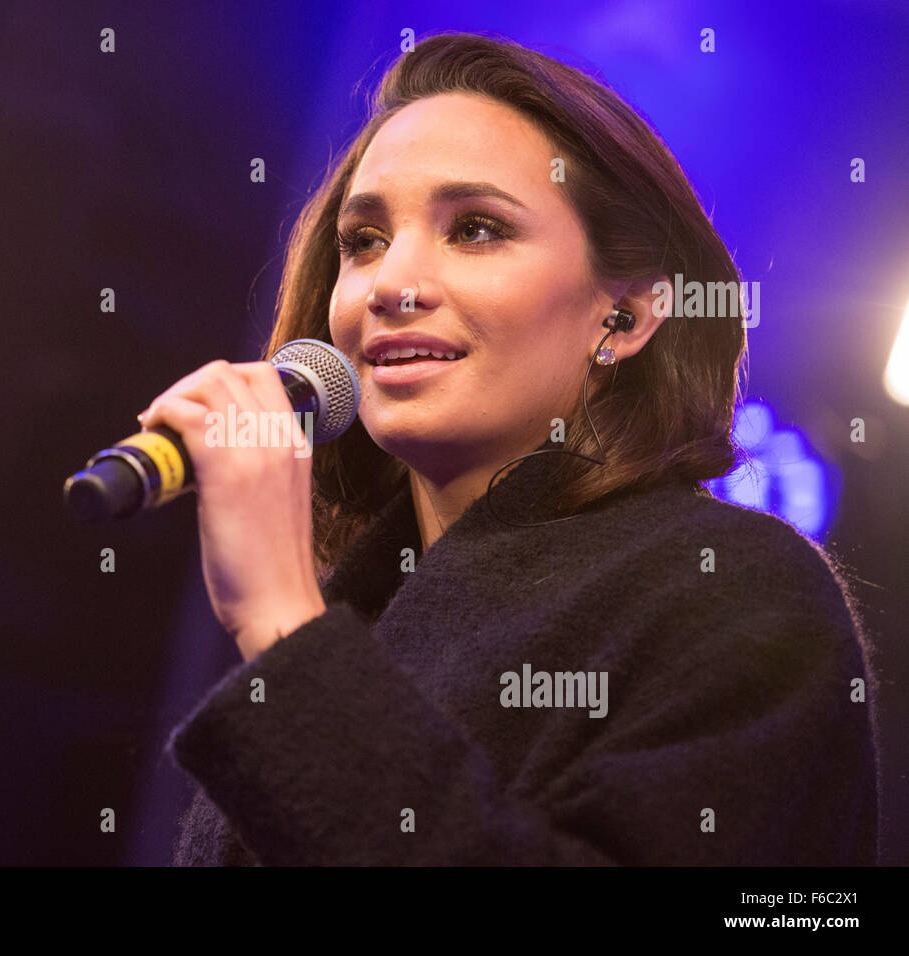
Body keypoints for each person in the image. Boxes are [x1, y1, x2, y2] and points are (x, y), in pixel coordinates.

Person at [136, 32, 880, 865]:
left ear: (626, 316)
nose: (390, 285)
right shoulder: (357, 618)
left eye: (478, 229)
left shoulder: (738, 591)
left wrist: (280, 622)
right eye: (363, 242)